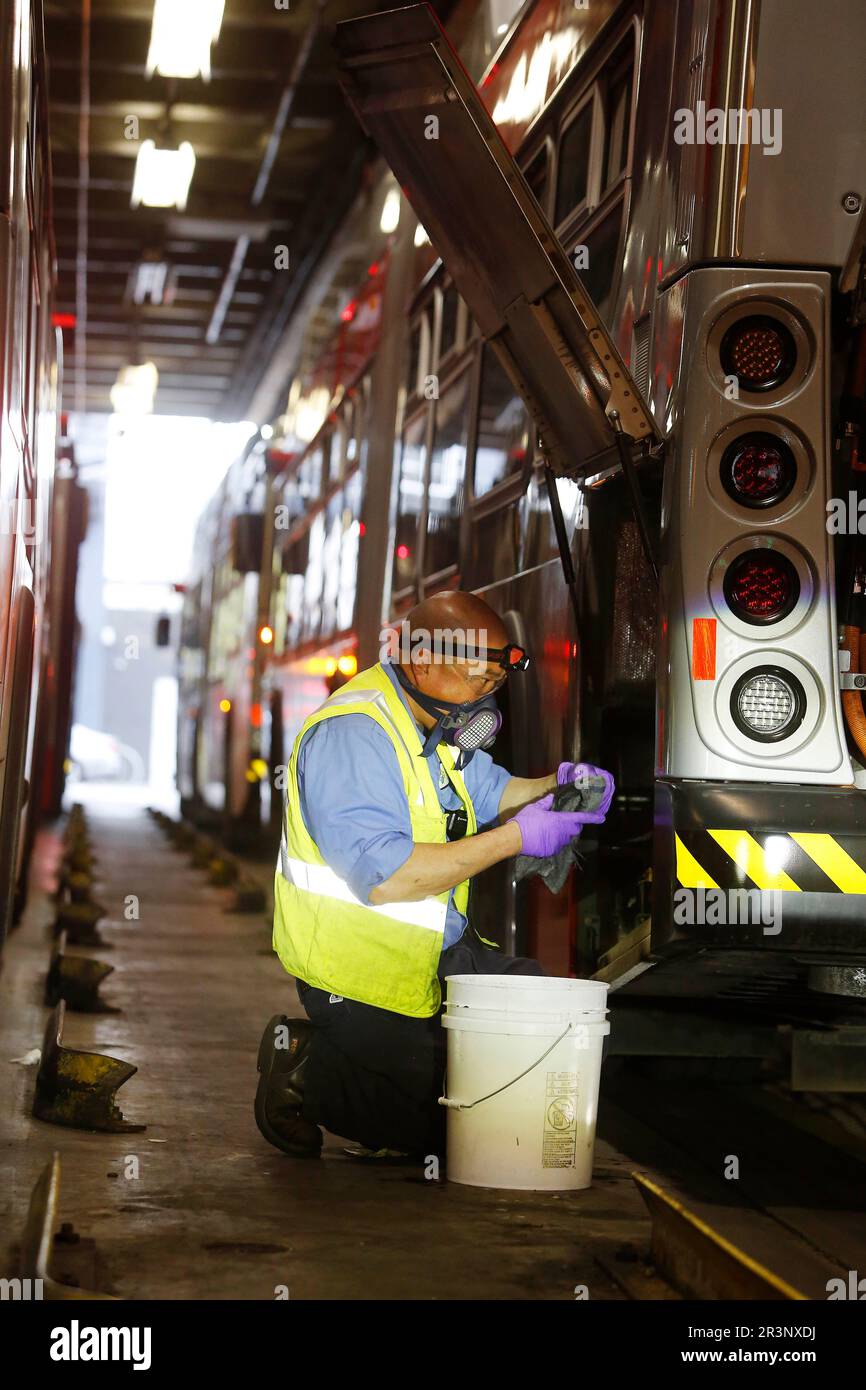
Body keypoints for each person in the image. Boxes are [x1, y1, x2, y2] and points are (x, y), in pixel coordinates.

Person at [254, 590, 614, 1161]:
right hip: (360, 977)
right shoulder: (355, 735)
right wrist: (521, 837)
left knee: (539, 1020)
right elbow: (386, 877)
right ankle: (306, 1070)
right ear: (423, 662)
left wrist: (557, 787)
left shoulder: (433, 720)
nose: (486, 694)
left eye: (495, 683)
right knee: (463, 1129)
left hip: (430, 955)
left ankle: (382, 1077)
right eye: (477, 677)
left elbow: (492, 792)